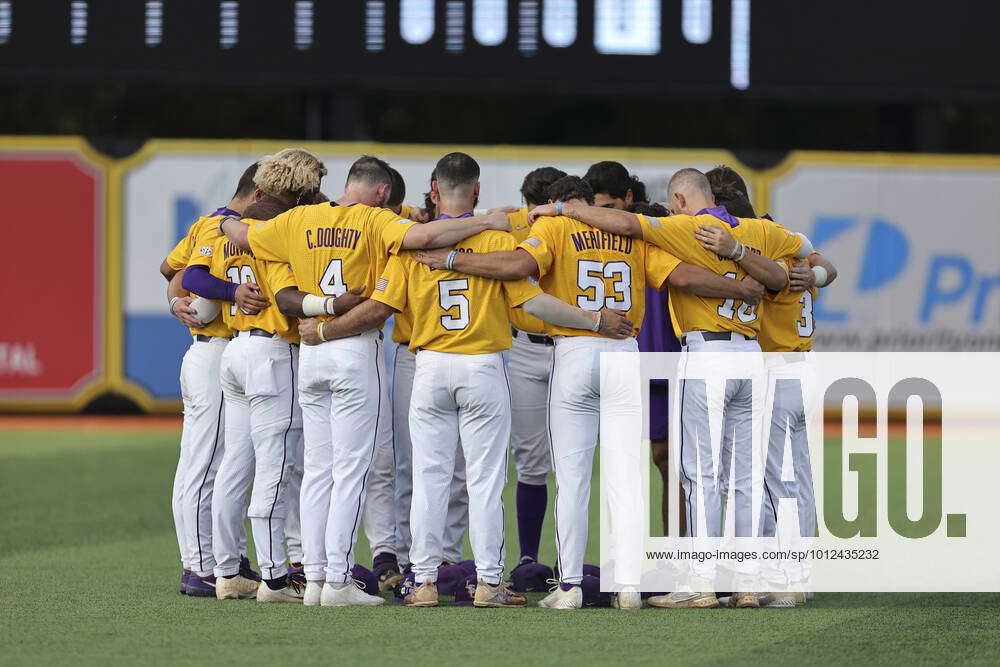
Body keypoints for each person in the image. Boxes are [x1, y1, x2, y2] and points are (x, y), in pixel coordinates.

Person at [297, 152, 634, 608]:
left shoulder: (413, 245)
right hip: (482, 364)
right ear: (477, 190)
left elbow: (379, 306)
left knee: (428, 477)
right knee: (485, 482)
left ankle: (424, 582)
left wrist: (322, 329)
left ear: (434, 189)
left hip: (430, 364)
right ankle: (490, 583)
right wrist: (594, 321)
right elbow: (533, 304)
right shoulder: (497, 236)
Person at [414, 174, 759, 610]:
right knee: (625, 477)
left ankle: (570, 587)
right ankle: (629, 587)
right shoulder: (624, 231)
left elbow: (518, 268)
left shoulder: (553, 228)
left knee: (572, 480)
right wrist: (741, 289)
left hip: (575, 350)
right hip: (624, 353)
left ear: (558, 203)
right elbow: (685, 278)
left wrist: (451, 261)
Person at [218, 154, 513, 606]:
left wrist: (222, 224)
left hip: (312, 350)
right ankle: (337, 581)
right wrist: (489, 219)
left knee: (317, 468)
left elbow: (243, 233)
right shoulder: (377, 221)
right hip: (357, 350)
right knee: (351, 471)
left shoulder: (300, 218)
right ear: (380, 192)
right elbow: (428, 235)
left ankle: (314, 578)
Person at [534, 168, 811, 608]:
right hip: (752, 356)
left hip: (705, 354)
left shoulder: (684, 229)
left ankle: (699, 582)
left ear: (680, 201)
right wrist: (790, 273)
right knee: (744, 478)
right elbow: (807, 257)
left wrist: (566, 208)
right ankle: (748, 582)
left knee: (699, 475)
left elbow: (631, 227)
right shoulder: (762, 230)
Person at [182, 148, 327, 602]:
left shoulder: (226, 225)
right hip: (271, 353)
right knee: (277, 467)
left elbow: (190, 274)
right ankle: (276, 578)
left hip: (236, 352)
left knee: (234, 466)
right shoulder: (283, 229)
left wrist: (225, 227)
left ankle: (226, 571)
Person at [705, 166, 837, 608]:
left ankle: (787, 577)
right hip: (800, 364)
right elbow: (823, 266)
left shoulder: (759, 244)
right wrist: (816, 275)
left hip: (778, 368)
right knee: (791, 476)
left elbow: (772, 280)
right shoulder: (786, 236)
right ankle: (785, 574)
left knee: (774, 479)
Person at [159, 162, 264, 597]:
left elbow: (171, 272)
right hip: (214, 350)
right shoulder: (217, 227)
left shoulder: (209, 223)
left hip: (217, 353)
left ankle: (226, 558)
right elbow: (179, 277)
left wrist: (174, 300)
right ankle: (199, 567)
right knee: (206, 465)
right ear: (259, 194)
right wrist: (177, 300)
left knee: (223, 463)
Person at [505, 166, 567, 590]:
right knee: (532, 458)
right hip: (525, 347)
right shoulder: (510, 223)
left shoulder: (570, 228)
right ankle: (529, 557)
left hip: (566, 346)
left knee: (570, 461)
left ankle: (570, 558)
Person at [583, 161, 647, 209]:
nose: (598, 217)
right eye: (592, 211)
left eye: (607, 208)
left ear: (628, 196)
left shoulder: (651, 223)